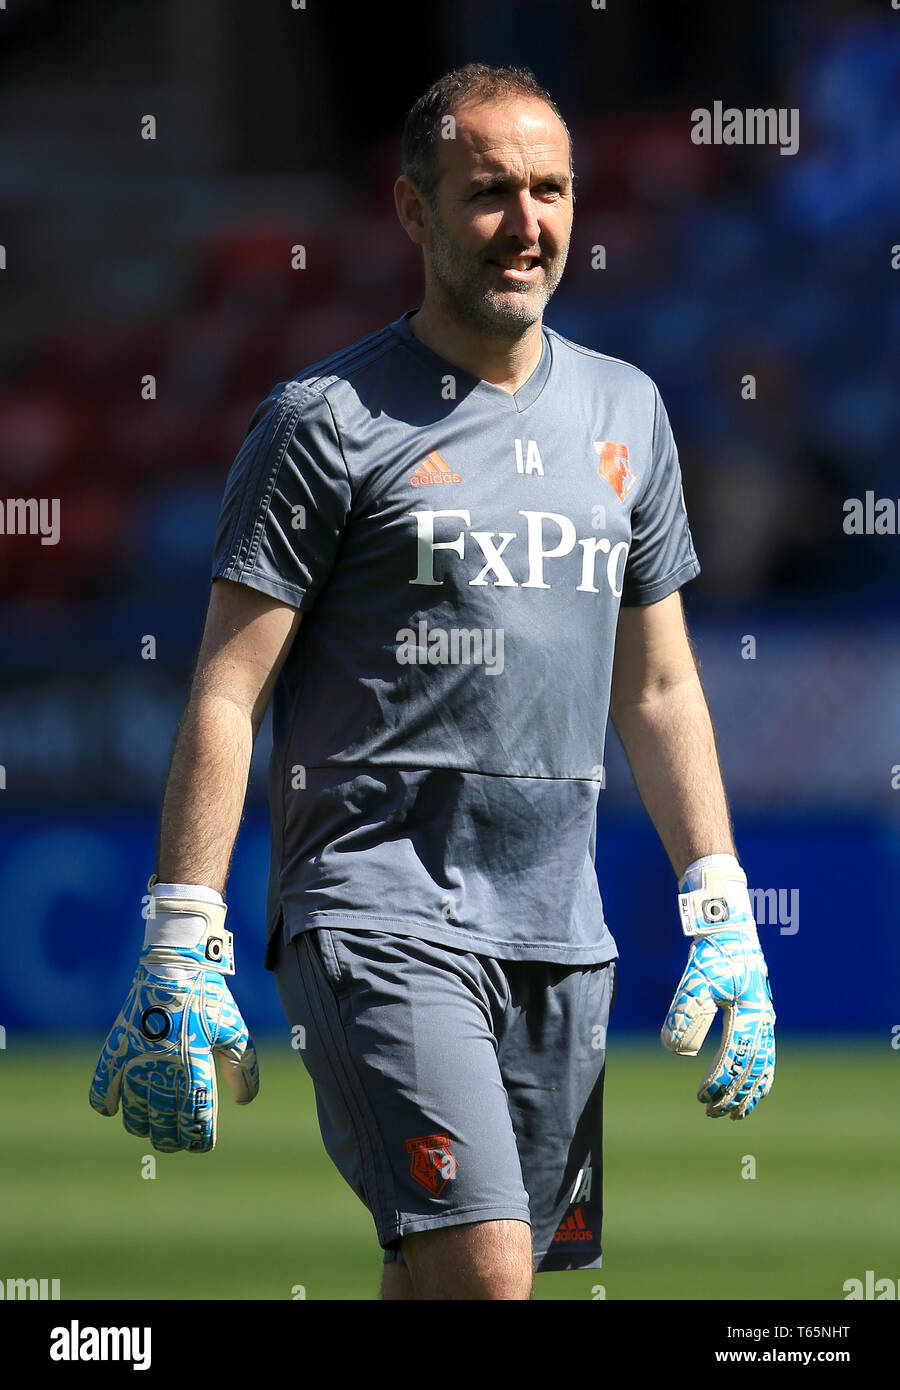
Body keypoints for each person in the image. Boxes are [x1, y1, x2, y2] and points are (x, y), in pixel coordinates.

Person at [90, 62, 775, 1302]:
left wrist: (721, 907)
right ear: (413, 211)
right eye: (490, 193)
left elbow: (663, 689)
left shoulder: (631, 410)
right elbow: (228, 691)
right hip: (378, 907)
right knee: (486, 1269)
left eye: (553, 190)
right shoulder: (323, 420)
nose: (529, 224)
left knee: (446, 1279)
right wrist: (182, 932)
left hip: (562, 934)